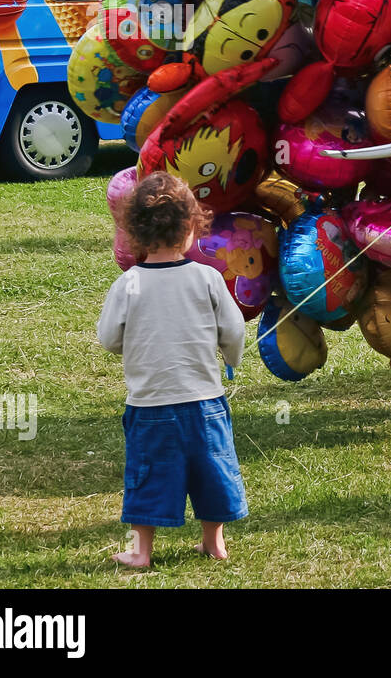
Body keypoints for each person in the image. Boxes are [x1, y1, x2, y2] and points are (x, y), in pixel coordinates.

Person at [98, 171, 248, 567]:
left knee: (146, 476)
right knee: (212, 470)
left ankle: (141, 551)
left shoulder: (128, 284)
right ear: (191, 229)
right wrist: (231, 358)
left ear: (136, 234)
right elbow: (233, 330)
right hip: (205, 404)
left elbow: (109, 338)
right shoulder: (208, 278)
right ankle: (214, 543)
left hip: (150, 406)